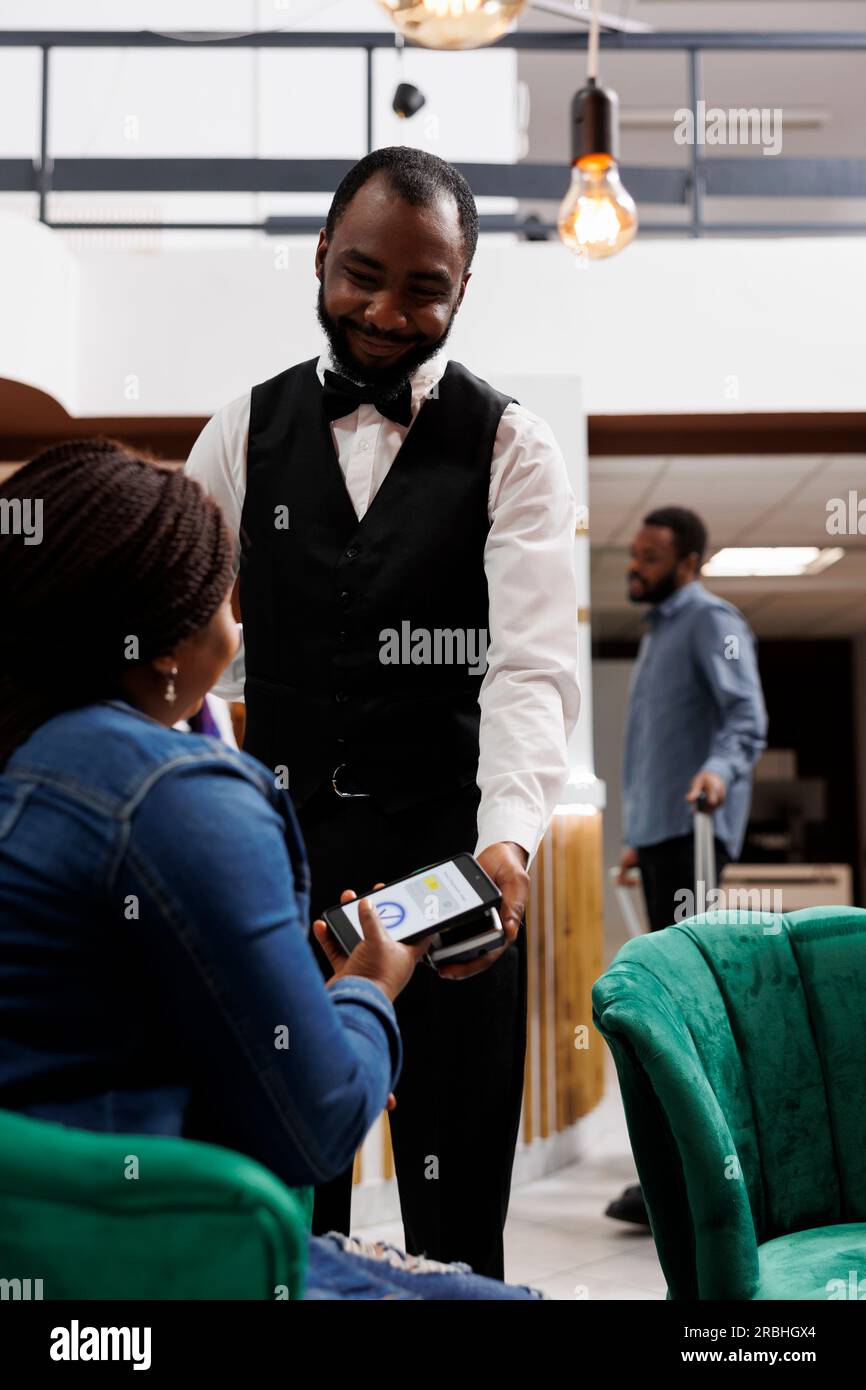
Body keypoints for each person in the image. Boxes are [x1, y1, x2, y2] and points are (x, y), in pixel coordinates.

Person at [0, 439, 542, 1300]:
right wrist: (366, 988)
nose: (242, 624)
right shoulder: (185, 794)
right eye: (229, 596)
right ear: (170, 639)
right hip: (162, 1251)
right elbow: (320, 1125)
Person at [186, 145, 580, 1277]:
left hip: (450, 882)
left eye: (424, 288)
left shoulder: (512, 446)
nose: (385, 311)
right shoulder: (240, 431)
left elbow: (529, 669)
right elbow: (186, 644)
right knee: (278, 1203)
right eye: (361, 273)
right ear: (319, 256)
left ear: (462, 289)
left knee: (456, 1214)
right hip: (279, 874)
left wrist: (505, 841)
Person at [608, 505, 767, 1227]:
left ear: (688, 560)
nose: (633, 565)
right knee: (670, 998)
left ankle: (701, 1174)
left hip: (696, 831)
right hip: (666, 835)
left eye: (647, 555)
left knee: (685, 1004)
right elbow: (660, 744)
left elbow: (745, 719)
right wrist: (643, 834)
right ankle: (680, 1168)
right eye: (633, 553)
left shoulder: (711, 621)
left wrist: (717, 773)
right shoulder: (658, 633)